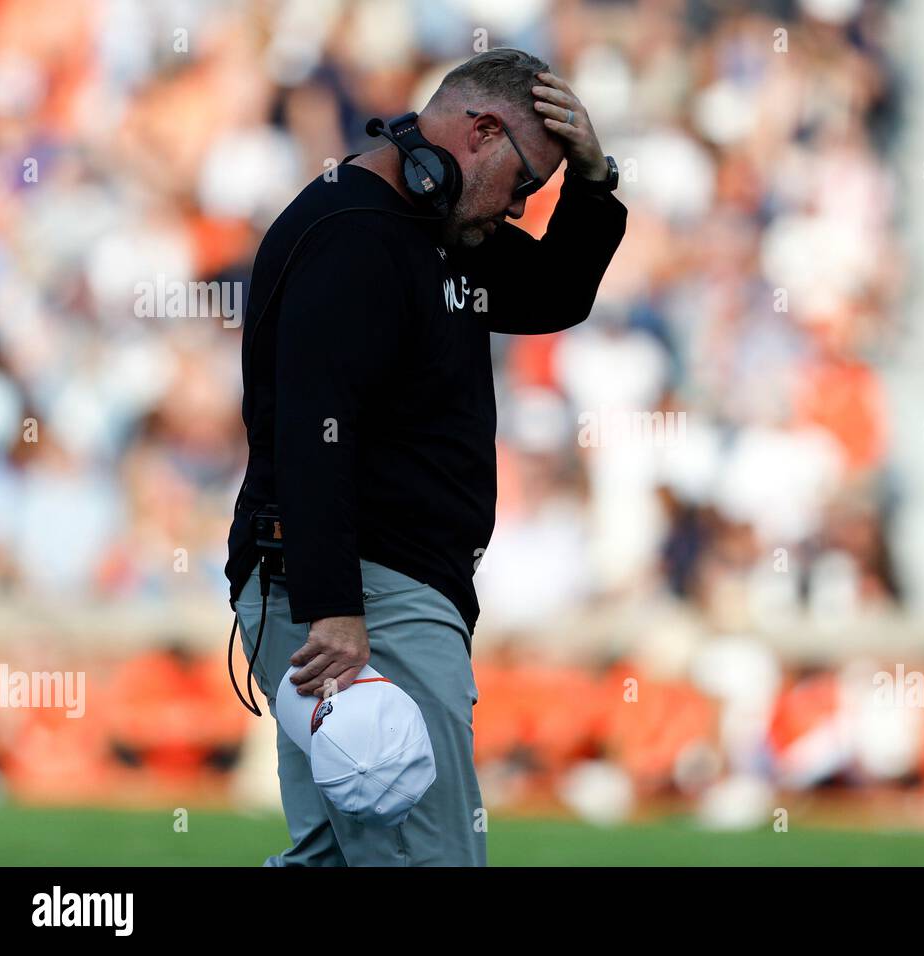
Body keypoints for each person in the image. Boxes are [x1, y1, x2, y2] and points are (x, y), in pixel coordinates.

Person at [223, 47, 626, 866]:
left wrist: (593, 179)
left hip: (367, 586)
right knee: (430, 860)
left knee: (345, 858)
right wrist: (338, 607)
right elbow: (313, 426)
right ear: (481, 131)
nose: (517, 210)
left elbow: (555, 292)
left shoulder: (431, 227)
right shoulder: (356, 234)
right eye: (523, 185)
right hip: (367, 594)